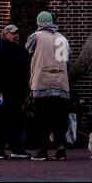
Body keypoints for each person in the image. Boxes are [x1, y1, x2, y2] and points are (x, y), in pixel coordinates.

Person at [25, 10, 72, 161]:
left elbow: (29, 51)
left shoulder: (36, 37)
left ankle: (43, 150)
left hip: (42, 82)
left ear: (39, 23)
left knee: (42, 118)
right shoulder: (61, 38)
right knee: (59, 118)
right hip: (60, 84)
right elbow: (67, 61)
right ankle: (60, 149)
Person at [0, 23, 30, 159]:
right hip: (2, 92)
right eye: (13, 33)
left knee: (16, 120)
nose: (16, 36)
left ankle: (17, 149)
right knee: (1, 120)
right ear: (6, 34)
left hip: (17, 92)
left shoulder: (20, 50)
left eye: (17, 33)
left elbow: (26, 68)